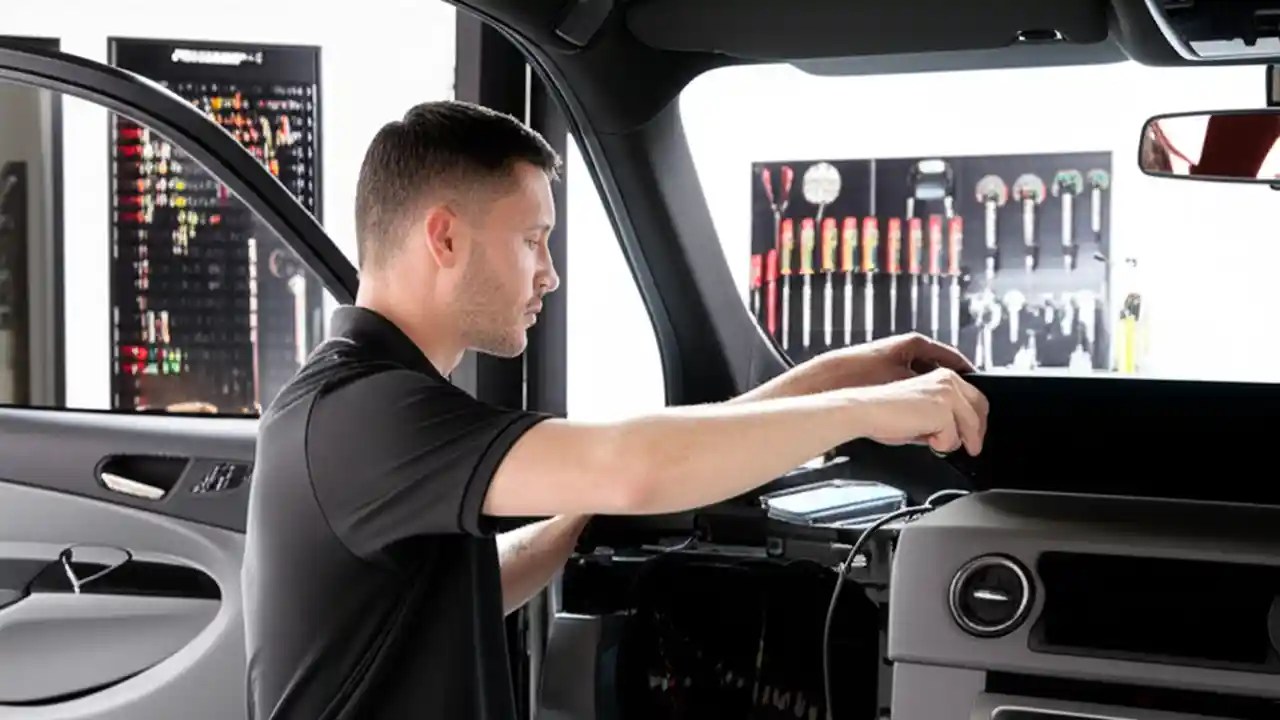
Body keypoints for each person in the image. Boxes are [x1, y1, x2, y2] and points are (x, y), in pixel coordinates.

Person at [241, 100, 989, 720]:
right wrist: (864, 410)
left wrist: (827, 378)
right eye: (532, 240)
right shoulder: (362, 414)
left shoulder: (368, 406)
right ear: (444, 237)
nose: (550, 273)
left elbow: (474, 585)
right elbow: (631, 466)